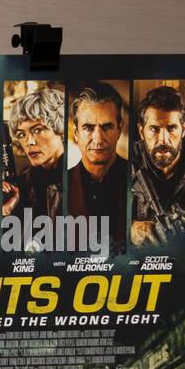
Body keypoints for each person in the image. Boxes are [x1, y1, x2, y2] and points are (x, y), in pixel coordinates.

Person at [67, 82, 129, 247]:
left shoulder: (139, 179)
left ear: (119, 129)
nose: (98, 139)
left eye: (106, 127)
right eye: (88, 128)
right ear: (76, 133)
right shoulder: (56, 186)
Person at [131, 85, 185, 246]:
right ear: (141, 131)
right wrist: (129, 229)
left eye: (171, 128)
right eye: (154, 129)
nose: (163, 140)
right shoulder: (125, 162)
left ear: (184, 129)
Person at [2, 88, 65, 222]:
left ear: (60, 130)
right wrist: (5, 212)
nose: (29, 142)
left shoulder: (80, 178)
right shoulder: (20, 185)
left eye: (37, 130)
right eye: (21, 134)